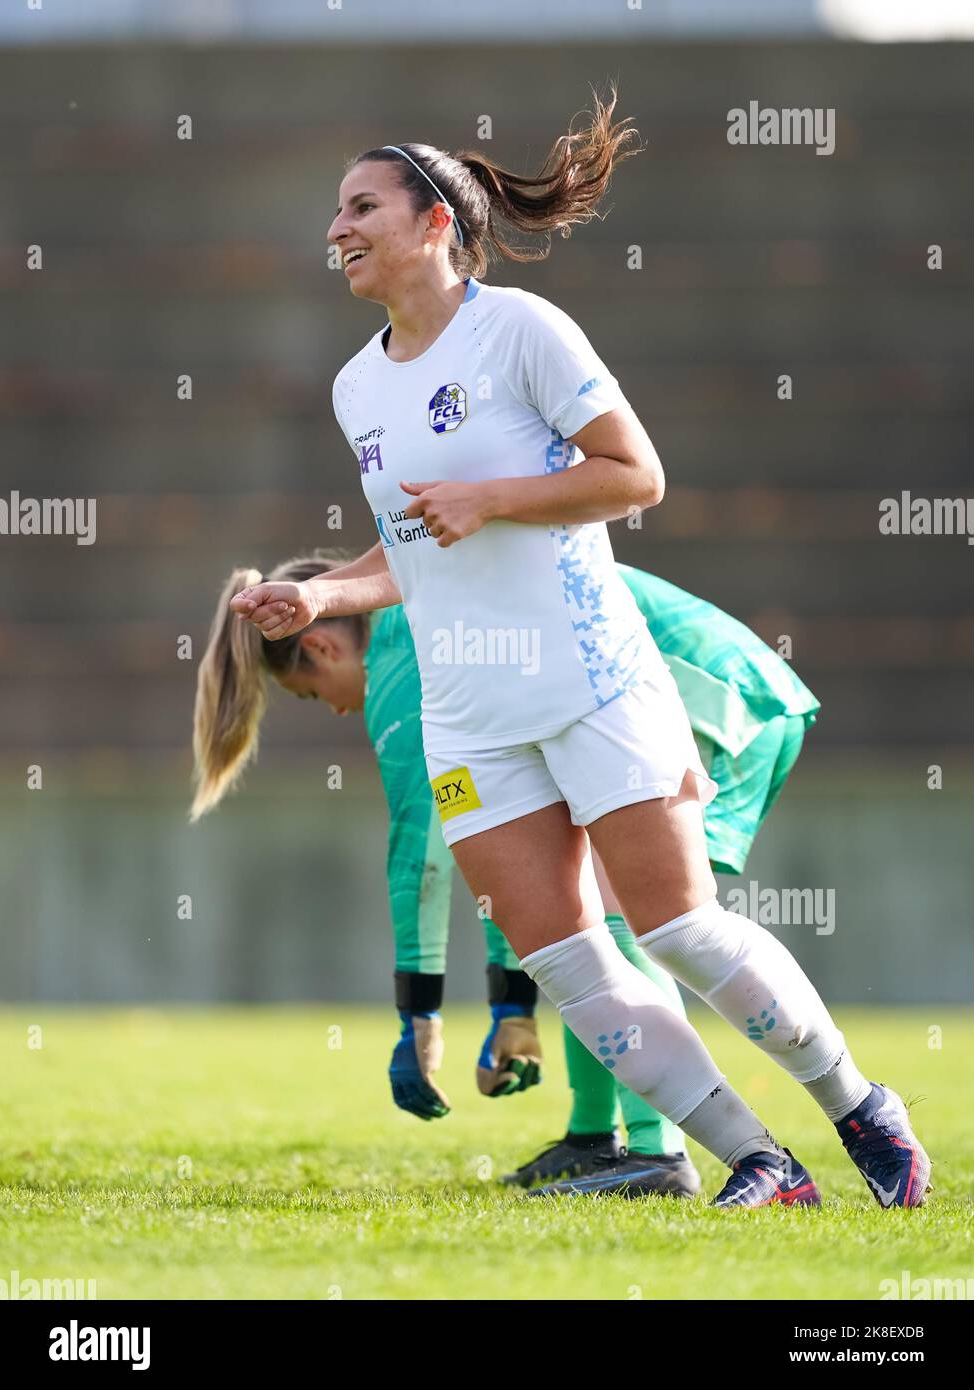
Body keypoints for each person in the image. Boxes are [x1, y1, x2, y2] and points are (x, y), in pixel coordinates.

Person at [230, 87, 930, 1207]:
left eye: (361, 205)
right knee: (569, 962)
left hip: (589, 677)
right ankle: (762, 1159)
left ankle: (863, 1109)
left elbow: (634, 475)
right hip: (470, 713)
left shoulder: (525, 330)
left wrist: (497, 496)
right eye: (335, 211)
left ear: (435, 225)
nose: (337, 228)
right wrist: (324, 598)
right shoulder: (355, 384)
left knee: (681, 928)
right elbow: (414, 546)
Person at [194, 550, 820, 1200]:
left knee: (631, 916)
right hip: (732, 686)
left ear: (323, 648)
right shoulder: (420, 619)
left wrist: (419, 1020)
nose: (333, 711)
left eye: (310, 695)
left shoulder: (399, 661)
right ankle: (594, 1139)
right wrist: (509, 1004)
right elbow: (508, 845)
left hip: (716, 697)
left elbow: (422, 855)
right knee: (594, 911)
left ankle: (661, 1154)